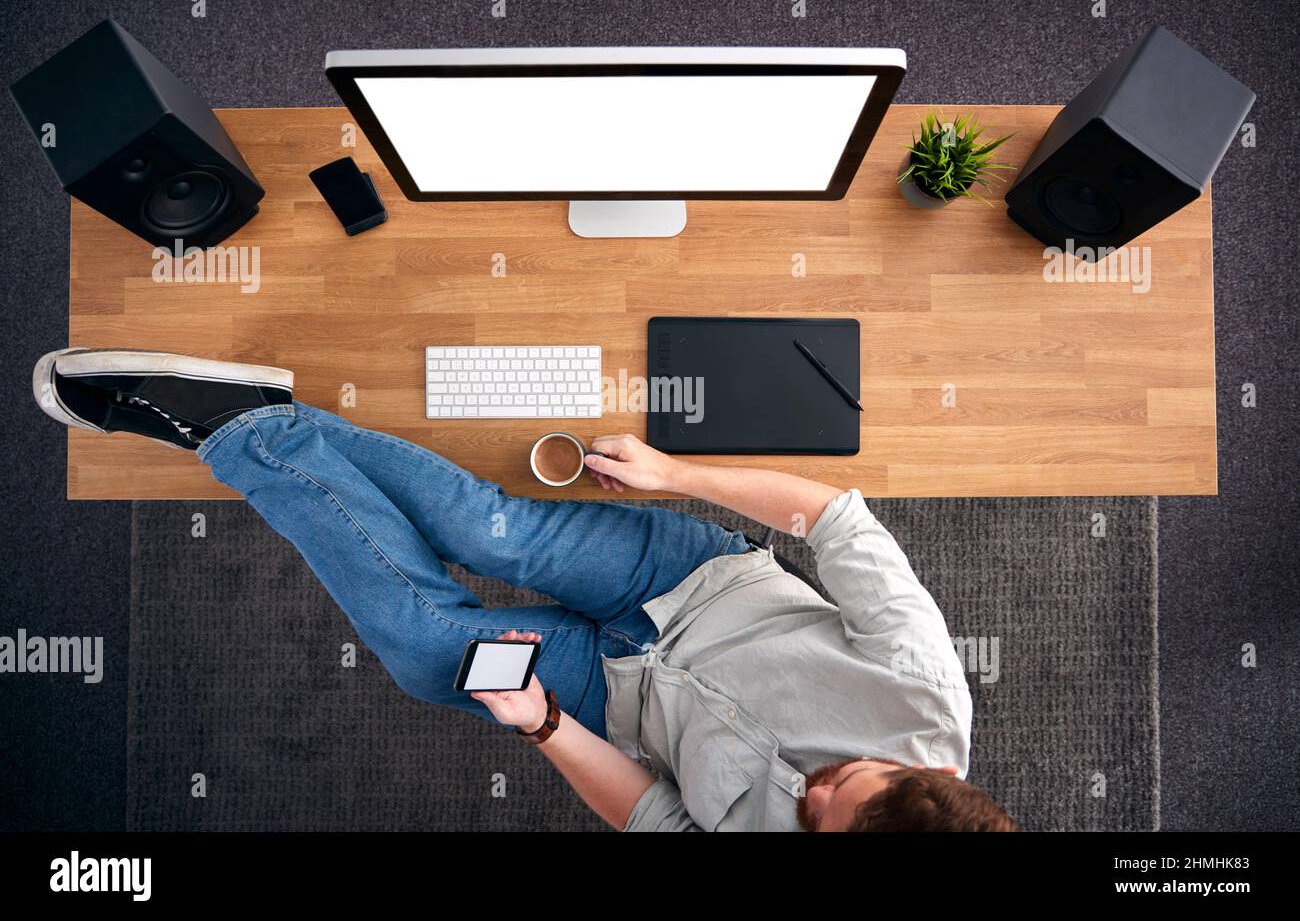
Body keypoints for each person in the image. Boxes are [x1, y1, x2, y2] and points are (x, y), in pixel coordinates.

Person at [33, 348, 1016, 832]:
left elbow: (653, 813)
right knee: (483, 530)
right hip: (691, 581)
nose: (813, 789)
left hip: (619, 694)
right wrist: (673, 473)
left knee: (433, 658)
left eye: (813, 818)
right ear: (927, 773)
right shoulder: (925, 691)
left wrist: (545, 724)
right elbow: (834, 516)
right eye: (847, 779)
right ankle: (242, 424)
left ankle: (247, 424)